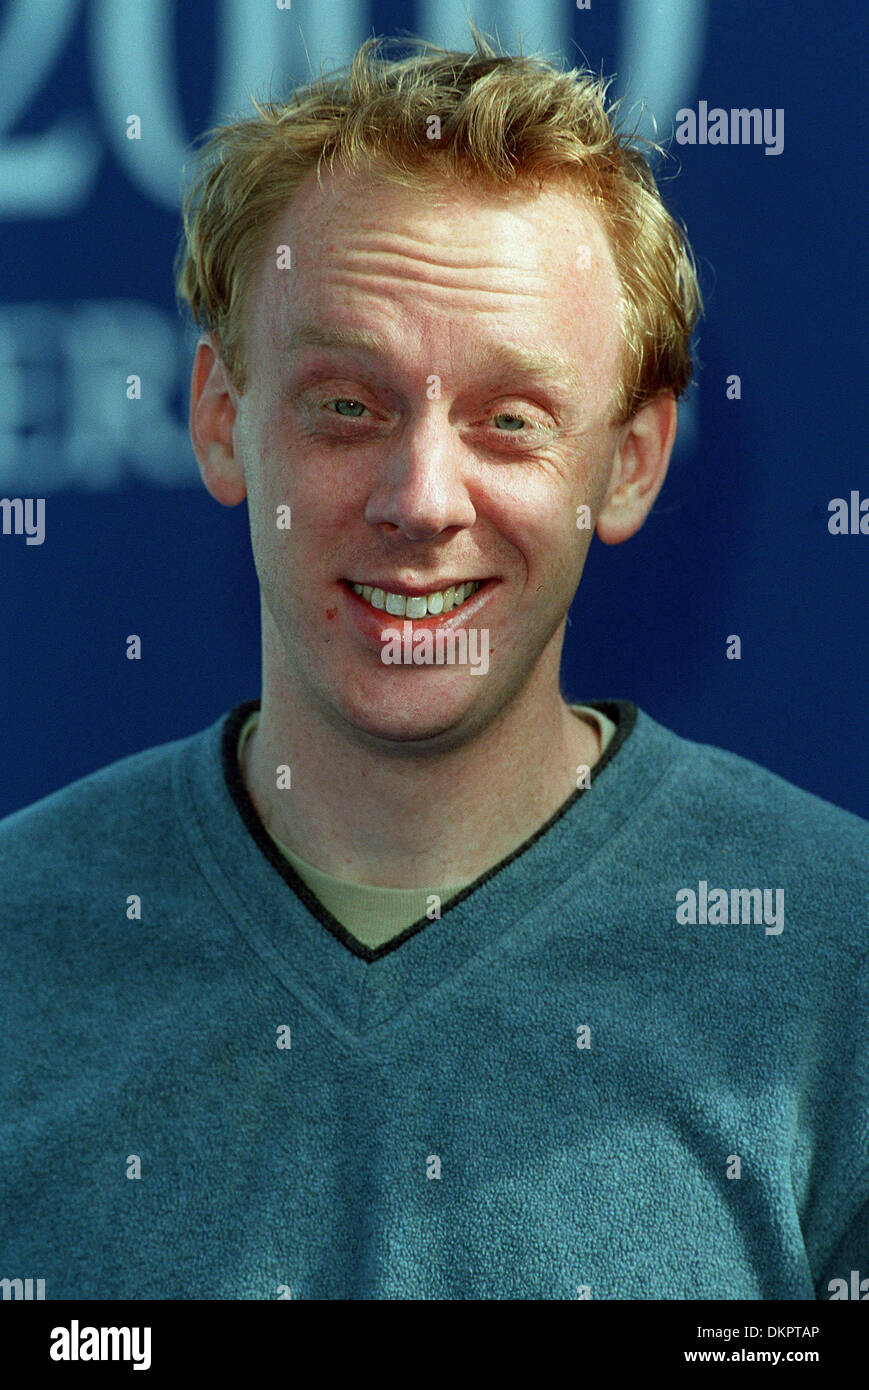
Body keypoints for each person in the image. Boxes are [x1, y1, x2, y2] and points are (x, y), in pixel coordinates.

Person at [1, 27, 866, 1302]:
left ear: (627, 460)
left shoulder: (834, 965)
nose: (419, 498)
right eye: (347, 406)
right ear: (221, 418)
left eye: (508, 421)